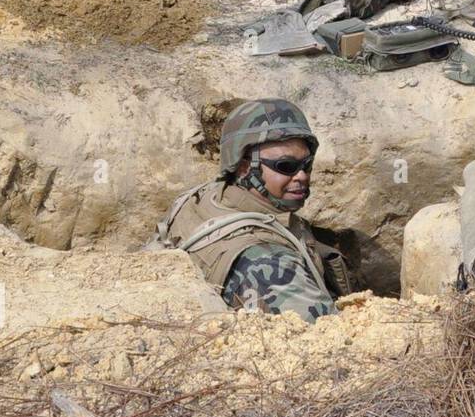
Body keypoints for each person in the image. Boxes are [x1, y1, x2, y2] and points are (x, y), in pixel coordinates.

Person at [153, 99, 356, 321]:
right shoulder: (269, 266)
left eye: (306, 165)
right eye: (286, 166)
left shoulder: (201, 198)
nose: (302, 176)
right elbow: (329, 341)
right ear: (243, 166)